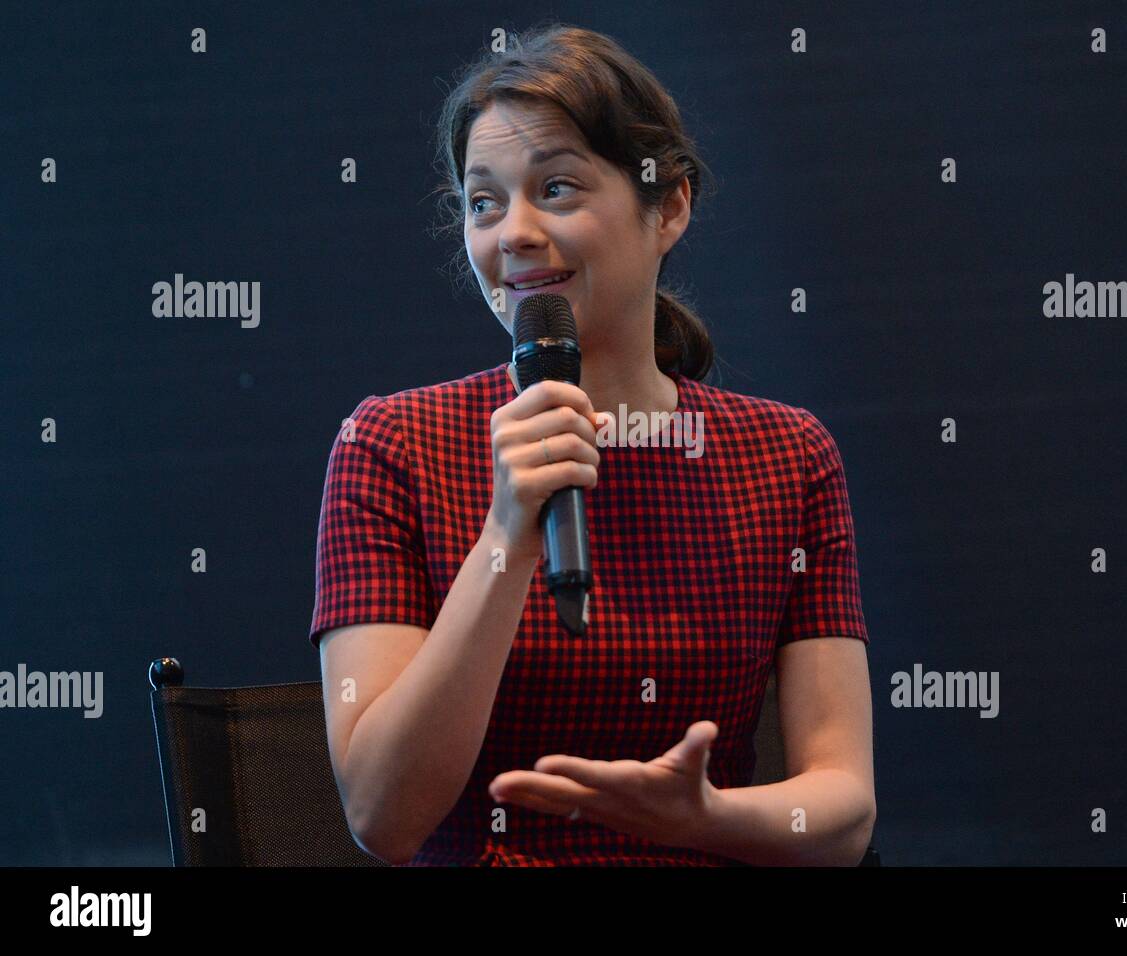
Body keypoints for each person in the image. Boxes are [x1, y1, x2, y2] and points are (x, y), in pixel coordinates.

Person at [310, 23, 875, 866]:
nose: (515, 235)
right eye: (484, 202)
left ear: (669, 205)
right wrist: (506, 531)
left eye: (560, 188)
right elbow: (384, 816)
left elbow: (843, 806)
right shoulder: (392, 443)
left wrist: (704, 819)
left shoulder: (786, 455)